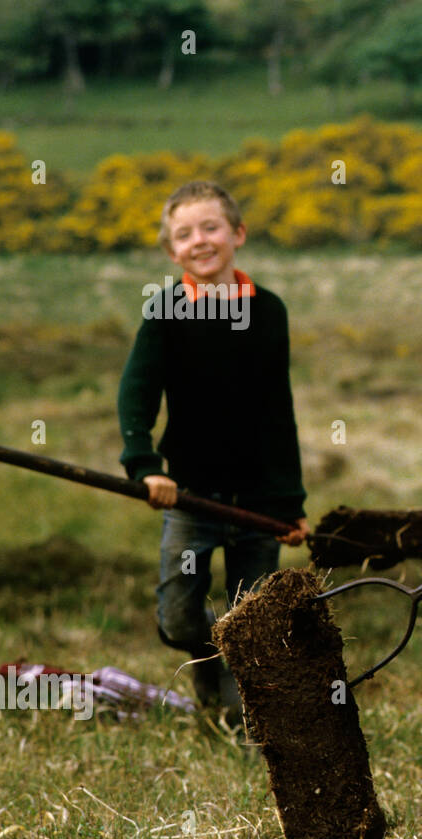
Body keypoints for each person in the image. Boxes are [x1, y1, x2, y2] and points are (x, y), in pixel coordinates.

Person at [118, 181, 309, 723]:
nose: (199, 241)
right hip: (191, 494)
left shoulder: (268, 311)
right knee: (180, 617)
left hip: (255, 503)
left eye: (211, 227)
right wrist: (145, 465)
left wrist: (289, 502)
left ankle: (241, 720)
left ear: (238, 234)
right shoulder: (165, 312)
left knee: (252, 620)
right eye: (184, 234)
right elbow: (137, 391)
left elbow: (278, 409)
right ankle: (207, 661)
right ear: (171, 251)